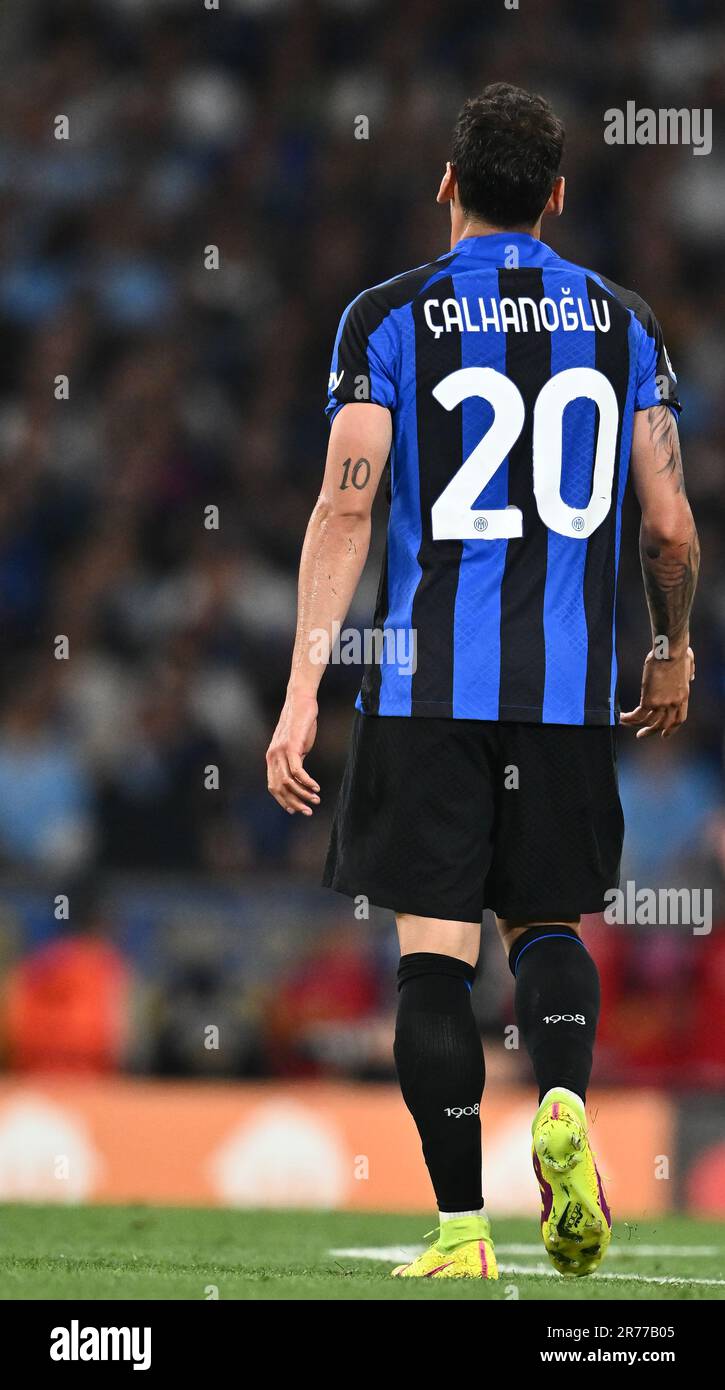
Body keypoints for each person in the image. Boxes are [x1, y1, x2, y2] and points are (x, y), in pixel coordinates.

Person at [266, 83, 699, 1280]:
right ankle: (561, 1100)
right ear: (555, 197)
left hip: (422, 687)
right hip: (564, 691)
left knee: (432, 956)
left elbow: (344, 506)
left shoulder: (388, 318)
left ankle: (461, 1229)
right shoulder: (623, 324)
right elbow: (666, 526)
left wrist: (304, 686)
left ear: (445, 184)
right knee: (548, 924)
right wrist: (668, 647)